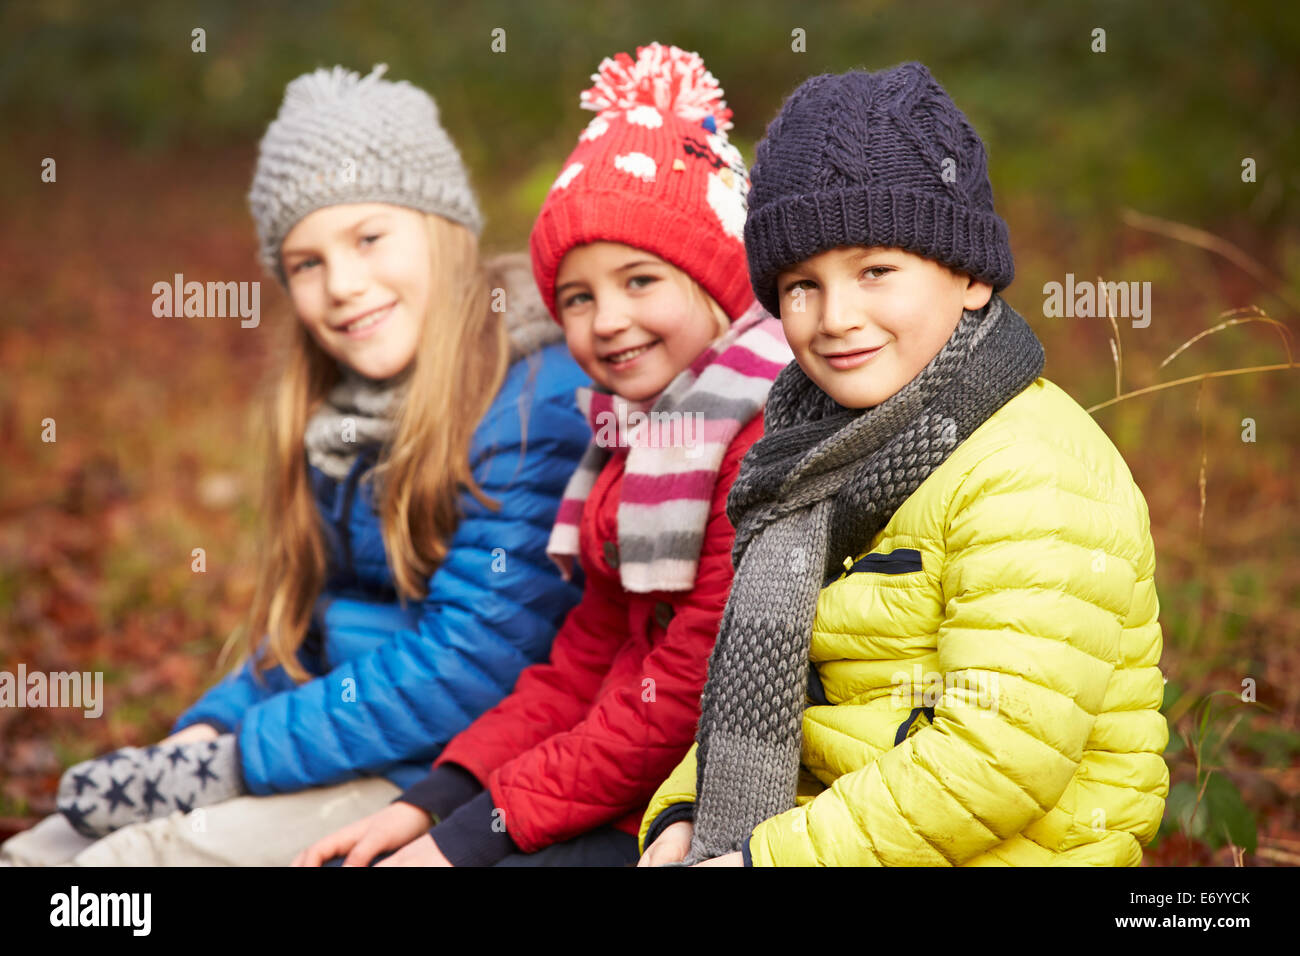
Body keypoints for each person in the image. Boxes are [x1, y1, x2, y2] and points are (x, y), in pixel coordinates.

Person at [0, 64, 590, 866]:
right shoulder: (341, 416)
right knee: (44, 849)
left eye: (369, 238)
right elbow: (310, 636)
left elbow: (476, 660)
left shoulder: (531, 398)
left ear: (443, 228)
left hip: (441, 776)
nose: (342, 285)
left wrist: (242, 759)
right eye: (306, 262)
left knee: (133, 866)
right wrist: (211, 728)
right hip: (330, 741)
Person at [638, 61, 1169, 867]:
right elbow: (782, 690)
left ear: (972, 277)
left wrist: (764, 859)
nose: (836, 318)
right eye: (801, 286)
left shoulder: (1031, 470)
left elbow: (999, 757)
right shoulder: (817, 453)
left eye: (875, 270)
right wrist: (686, 811)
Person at [296, 42, 792, 868]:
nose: (605, 320)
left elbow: (675, 698)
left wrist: (471, 839)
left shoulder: (752, 447)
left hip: (719, 798)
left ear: (717, 287)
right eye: (577, 297)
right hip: (630, 777)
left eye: (641, 282)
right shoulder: (630, 440)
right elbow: (588, 656)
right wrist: (439, 801)